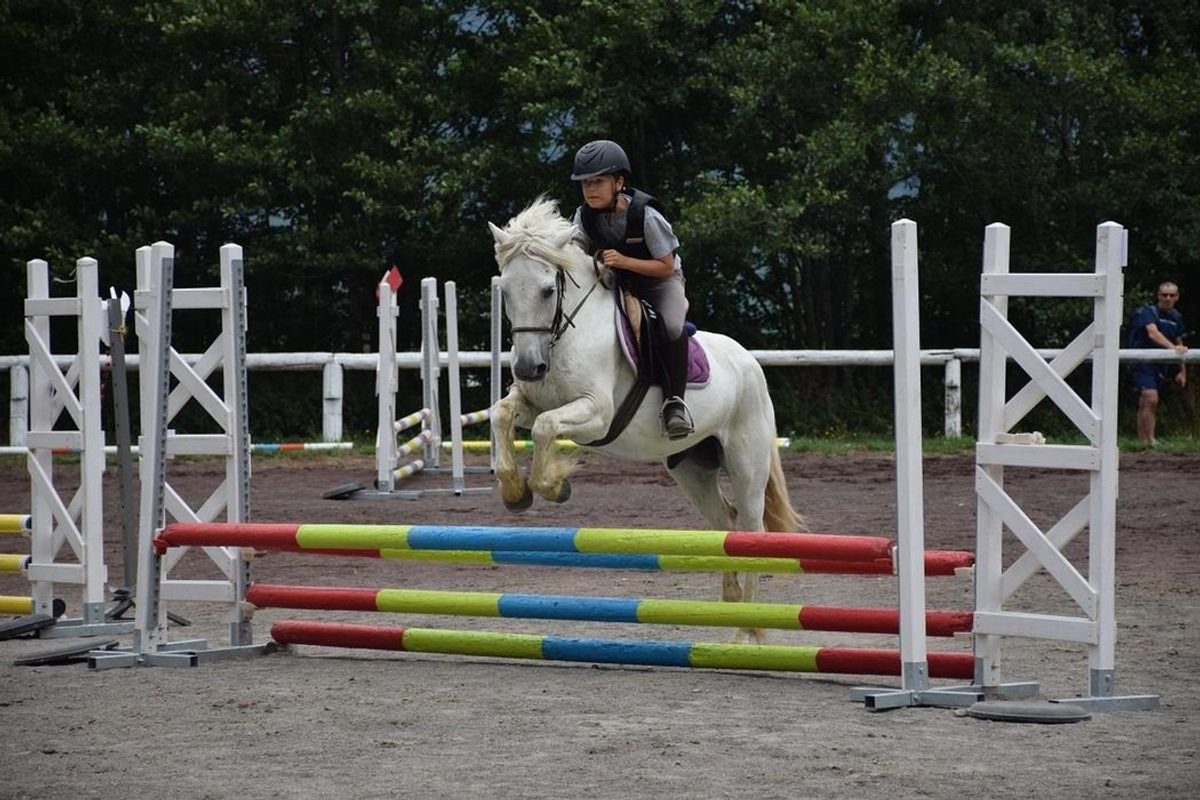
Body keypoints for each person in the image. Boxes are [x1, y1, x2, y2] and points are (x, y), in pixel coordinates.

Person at [568, 139, 694, 439]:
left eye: (598, 181)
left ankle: (674, 403)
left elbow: (665, 265)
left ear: (619, 181)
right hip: (618, 281)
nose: (590, 189)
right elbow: (575, 257)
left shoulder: (646, 215)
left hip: (660, 282)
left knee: (673, 326)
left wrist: (623, 260)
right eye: (585, 183)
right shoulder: (583, 216)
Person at [1127, 281, 1187, 445]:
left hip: (1161, 365)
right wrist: (1173, 348)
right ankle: (1151, 440)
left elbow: (1179, 342)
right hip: (1143, 362)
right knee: (1151, 397)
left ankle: (1142, 443)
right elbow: (1153, 334)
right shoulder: (1148, 312)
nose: (1168, 298)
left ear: (1177, 297)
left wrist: (1182, 371)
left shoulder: (1177, 317)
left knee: (1146, 401)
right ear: (1158, 296)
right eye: (1164, 295)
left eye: (1172, 295)